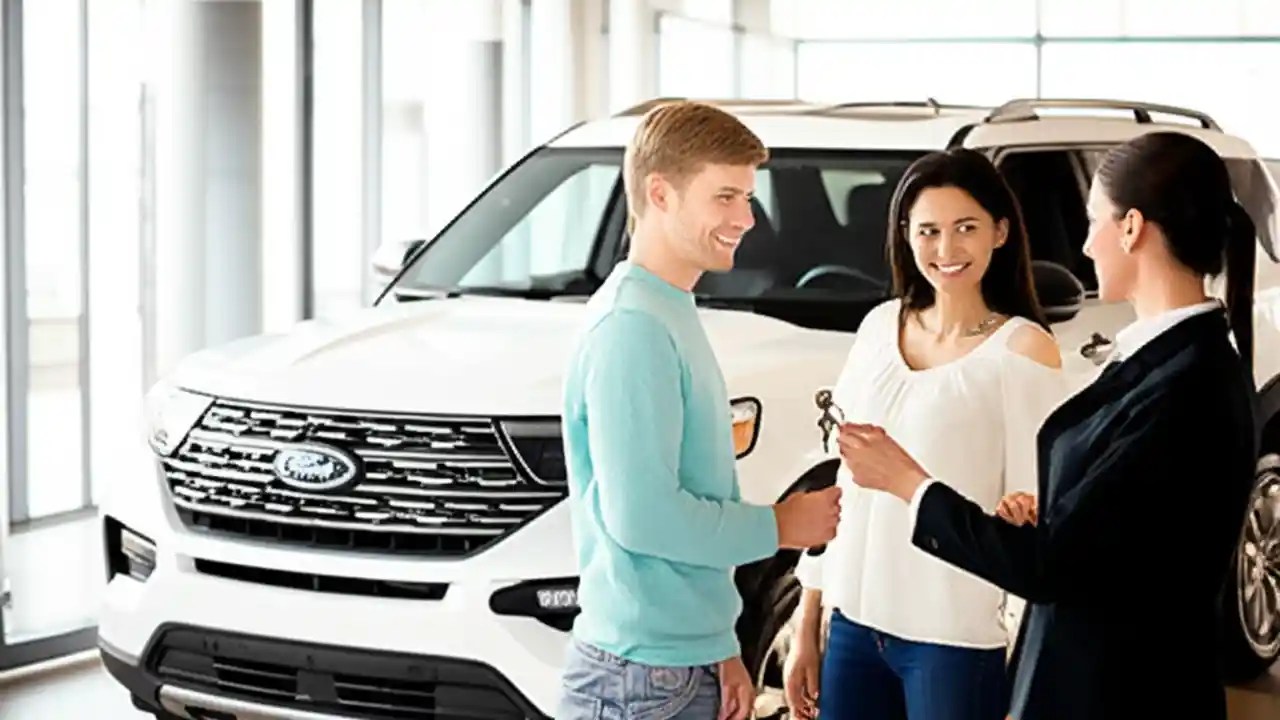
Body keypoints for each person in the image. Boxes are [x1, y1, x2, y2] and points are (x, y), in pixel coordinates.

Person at [837, 131, 1259, 720]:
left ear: (1131, 228)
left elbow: (1054, 567)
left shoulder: (1189, 382)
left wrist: (909, 482)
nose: (1085, 245)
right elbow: (1110, 537)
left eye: (1091, 221)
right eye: (927, 229)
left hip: (1122, 694)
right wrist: (1047, 511)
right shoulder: (1163, 360)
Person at [556, 101, 843, 720]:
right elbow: (644, 518)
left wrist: (717, 644)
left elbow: (689, 497)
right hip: (640, 683)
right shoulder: (633, 326)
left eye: (748, 197)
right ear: (660, 194)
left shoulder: (668, 308)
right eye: (726, 197)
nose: (747, 218)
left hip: (673, 668)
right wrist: (779, 526)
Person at [782, 148, 1068, 720]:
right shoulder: (878, 327)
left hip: (952, 640)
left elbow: (1035, 510)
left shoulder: (1023, 350)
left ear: (1001, 232)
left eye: (966, 228)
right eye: (928, 231)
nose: (945, 249)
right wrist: (808, 619)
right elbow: (843, 483)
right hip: (853, 628)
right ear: (905, 236)